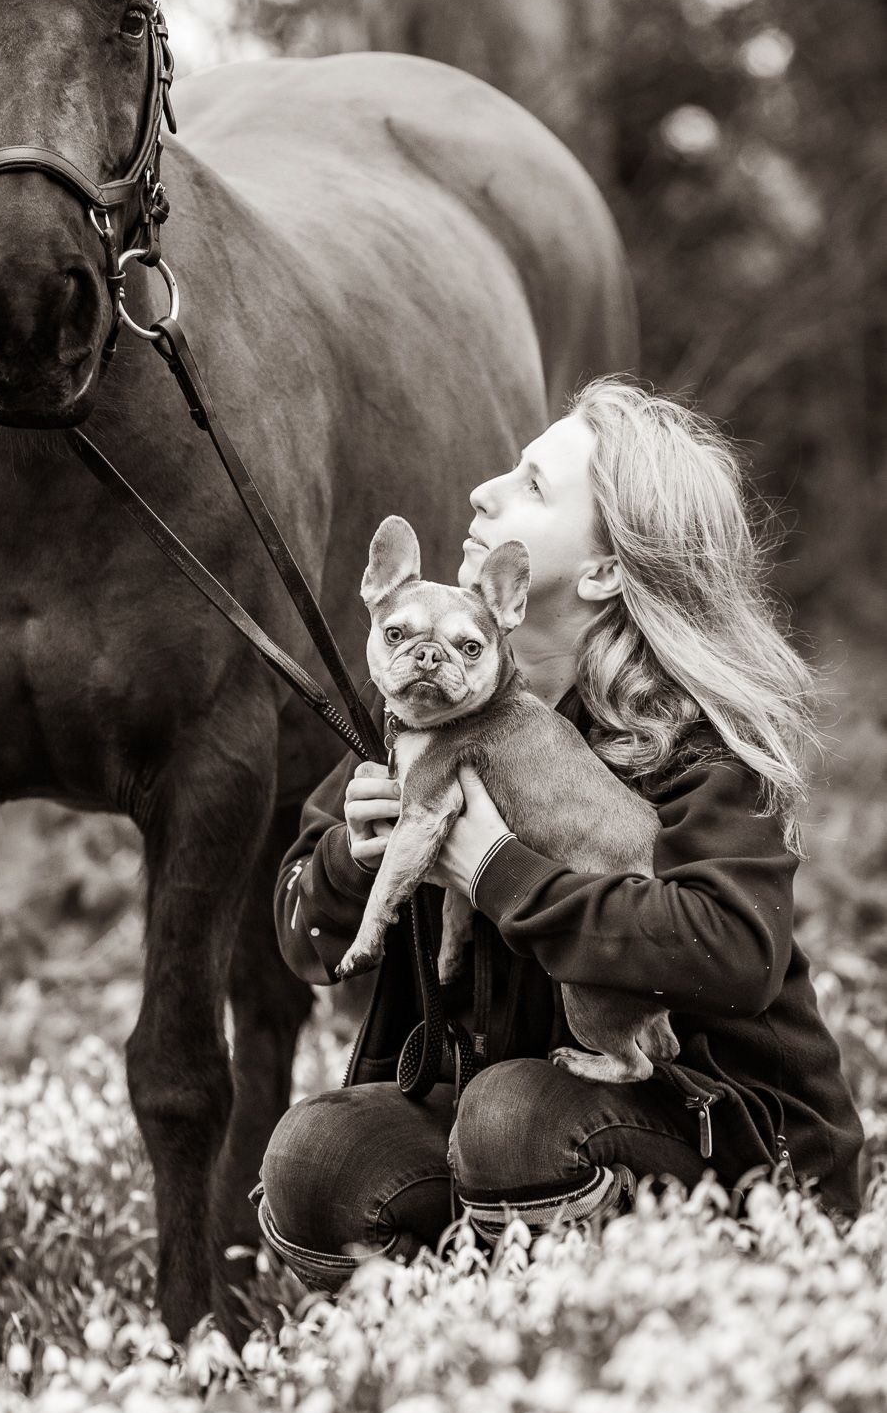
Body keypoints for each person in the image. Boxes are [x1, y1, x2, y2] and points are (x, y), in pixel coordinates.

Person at [256, 377, 864, 1289]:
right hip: (497, 1109)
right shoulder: (419, 712)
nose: (483, 492)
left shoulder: (689, 745)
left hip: (711, 1131)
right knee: (320, 1155)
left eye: (531, 486)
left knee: (511, 1116)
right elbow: (301, 939)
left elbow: (734, 950)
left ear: (603, 571)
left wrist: (495, 870)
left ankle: (628, 1328)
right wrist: (352, 859)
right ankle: (451, 1343)